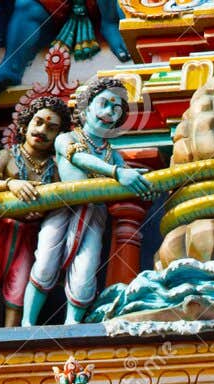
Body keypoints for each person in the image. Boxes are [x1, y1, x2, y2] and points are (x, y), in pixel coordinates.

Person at [23, 75, 153, 325]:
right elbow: (80, 159)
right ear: (86, 107)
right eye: (104, 103)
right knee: (45, 264)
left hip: (94, 215)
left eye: (116, 109)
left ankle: (72, 324)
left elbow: (129, 183)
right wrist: (117, 174)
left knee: (85, 271)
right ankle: (27, 323)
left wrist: (144, 188)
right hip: (62, 207)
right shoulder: (67, 138)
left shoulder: (112, 155)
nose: (109, 112)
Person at [0, 95, 66, 329]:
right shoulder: (6, 155)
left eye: (51, 128)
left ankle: (11, 336)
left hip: (29, 234)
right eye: (38, 122)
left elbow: (62, 199)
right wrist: (11, 183)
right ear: (24, 125)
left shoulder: (55, 167)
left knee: (19, 285)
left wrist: (43, 212)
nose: (42, 131)